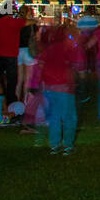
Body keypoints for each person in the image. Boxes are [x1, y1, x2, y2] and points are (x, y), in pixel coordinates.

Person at [38, 25, 82, 155]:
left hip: (50, 87)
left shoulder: (50, 48)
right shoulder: (69, 47)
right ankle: (68, 145)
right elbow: (75, 66)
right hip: (64, 87)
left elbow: (41, 64)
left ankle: (54, 145)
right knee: (69, 117)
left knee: (54, 117)